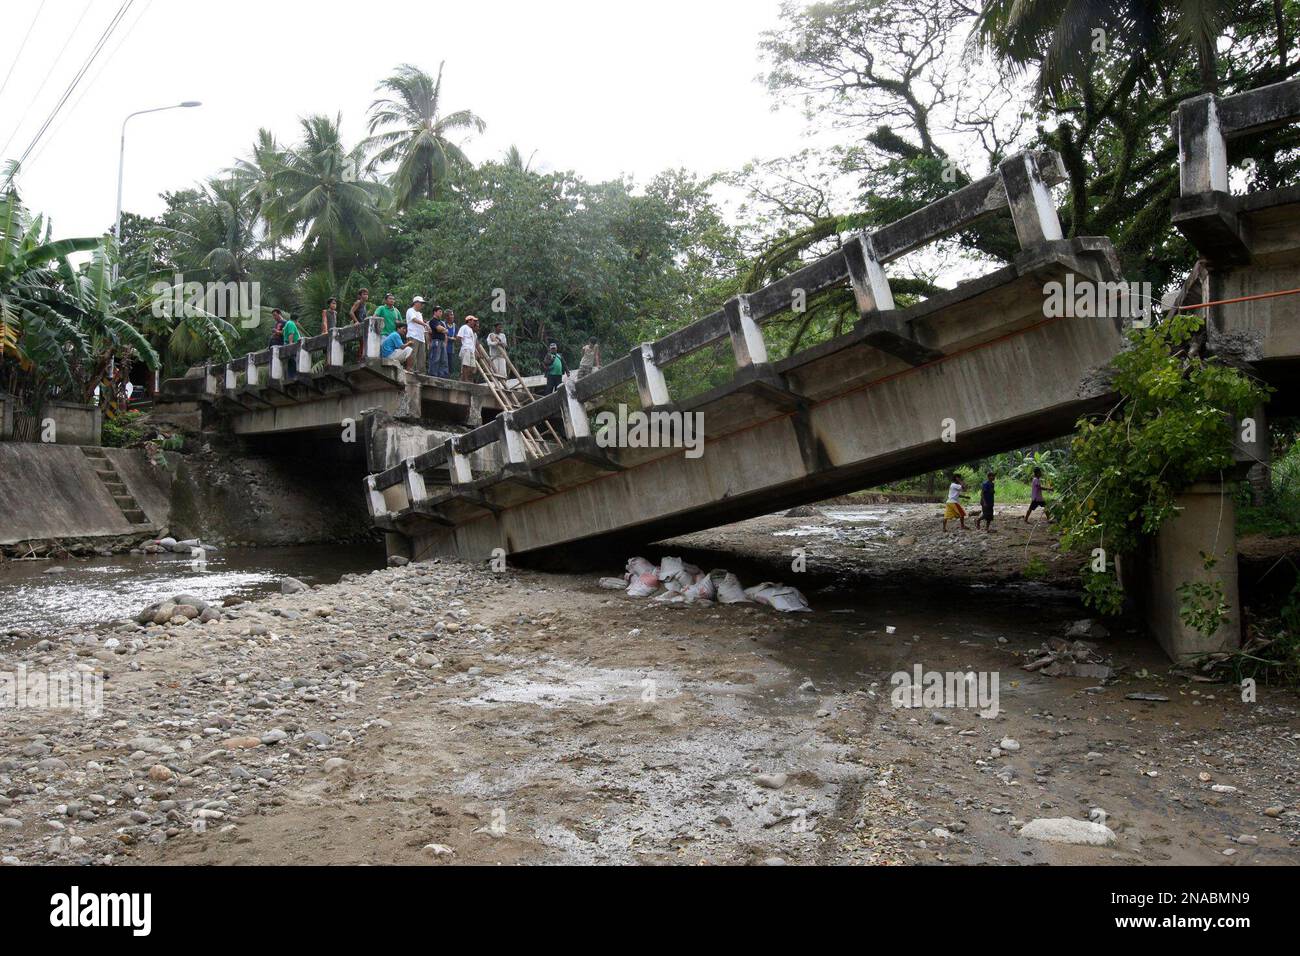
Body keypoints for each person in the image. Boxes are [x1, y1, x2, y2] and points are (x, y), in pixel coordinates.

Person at [406, 296, 430, 375]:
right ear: (416, 303)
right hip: (413, 336)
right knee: (412, 354)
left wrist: (426, 330)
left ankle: (421, 373)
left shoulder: (419, 313)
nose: (422, 305)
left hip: (421, 337)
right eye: (421, 303)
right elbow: (414, 319)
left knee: (422, 357)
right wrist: (425, 324)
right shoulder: (410, 310)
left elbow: (422, 325)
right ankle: (410, 371)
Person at [456, 315, 479, 383]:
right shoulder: (464, 327)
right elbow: (459, 337)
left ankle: (465, 378)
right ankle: (464, 379)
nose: (474, 322)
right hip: (466, 348)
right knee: (465, 364)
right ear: (469, 321)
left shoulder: (470, 329)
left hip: (471, 349)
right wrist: (463, 344)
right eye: (473, 321)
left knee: (472, 366)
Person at [428, 306, 448, 377]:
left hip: (442, 342)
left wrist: (443, 329)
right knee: (435, 358)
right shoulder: (433, 321)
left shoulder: (441, 322)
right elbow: (439, 329)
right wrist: (443, 329)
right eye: (439, 311)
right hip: (436, 341)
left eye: (441, 312)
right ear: (435, 312)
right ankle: (433, 375)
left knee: (444, 359)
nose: (441, 313)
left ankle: (442, 375)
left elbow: (446, 331)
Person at [349, 289, 370, 357]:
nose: (366, 296)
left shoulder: (364, 304)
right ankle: (360, 358)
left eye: (367, 294)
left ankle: (361, 357)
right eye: (364, 294)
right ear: (360, 296)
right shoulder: (358, 302)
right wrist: (356, 321)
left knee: (363, 343)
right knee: (362, 342)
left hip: (363, 325)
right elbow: (351, 312)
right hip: (358, 324)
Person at [281, 314, 302, 380]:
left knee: (291, 362)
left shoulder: (288, 323)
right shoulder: (291, 323)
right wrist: (291, 344)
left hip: (289, 344)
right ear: (296, 319)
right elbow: (291, 333)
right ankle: (294, 377)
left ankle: (291, 377)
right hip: (291, 345)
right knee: (293, 362)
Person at [444, 310, 458, 376]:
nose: (452, 316)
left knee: (450, 364)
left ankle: (449, 376)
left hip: (451, 348)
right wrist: (449, 338)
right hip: (444, 347)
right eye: (451, 315)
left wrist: (454, 338)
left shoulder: (455, 326)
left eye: (452, 315)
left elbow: (457, 337)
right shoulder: (443, 324)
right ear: (447, 316)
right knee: (444, 363)